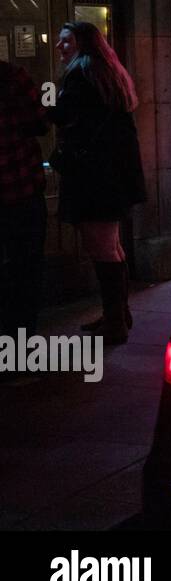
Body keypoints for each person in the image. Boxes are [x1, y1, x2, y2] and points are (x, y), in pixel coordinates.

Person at [48, 22, 146, 345]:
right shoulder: (108, 72)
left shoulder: (81, 74)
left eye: (67, 41)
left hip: (95, 178)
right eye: (61, 41)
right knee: (112, 246)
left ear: (83, 43)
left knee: (102, 247)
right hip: (114, 176)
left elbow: (66, 116)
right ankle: (118, 313)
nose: (61, 47)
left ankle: (115, 321)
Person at [0, 59, 48, 346]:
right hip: (21, 189)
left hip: (19, 187)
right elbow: (40, 123)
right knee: (26, 269)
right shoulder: (13, 77)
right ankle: (20, 343)